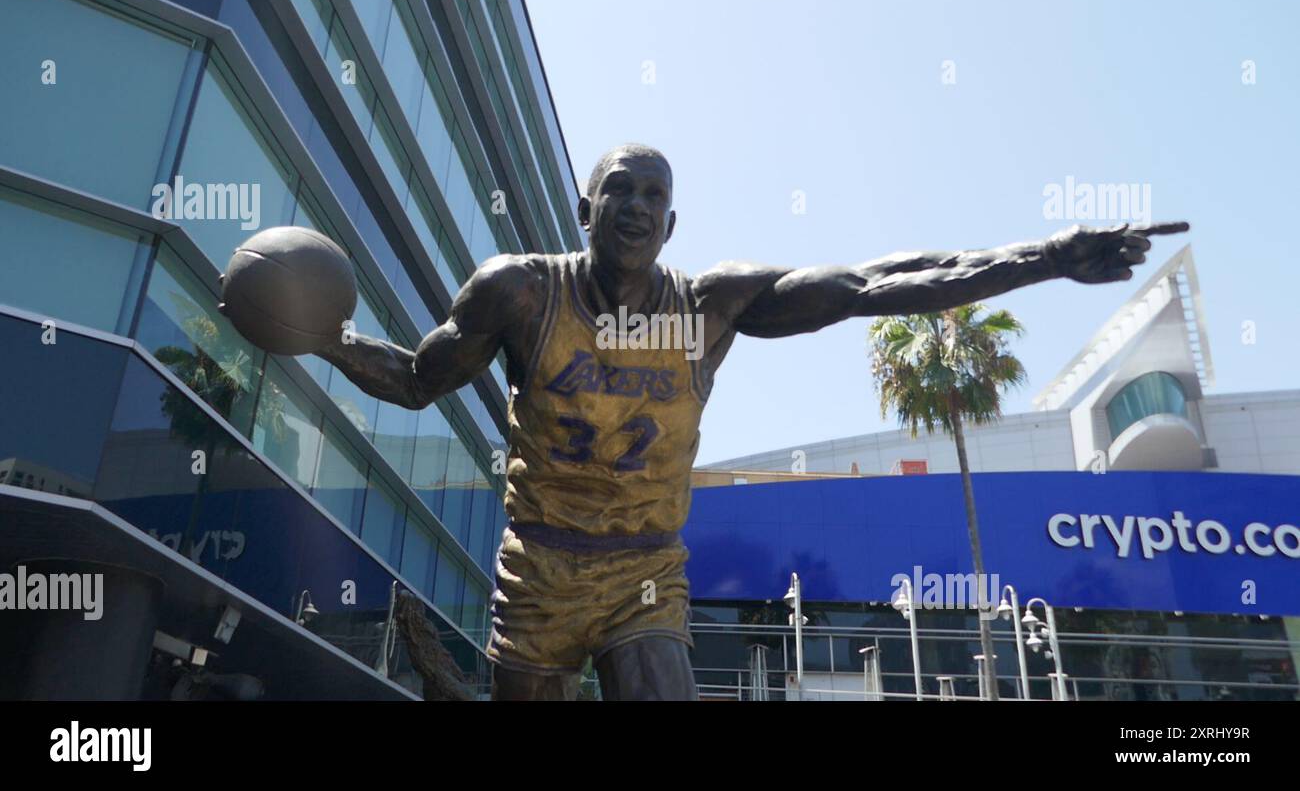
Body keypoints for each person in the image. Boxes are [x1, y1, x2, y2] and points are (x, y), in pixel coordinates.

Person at [315, 143, 1189, 700]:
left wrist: (1044, 258)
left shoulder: (710, 305)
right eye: (617, 189)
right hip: (541, 566)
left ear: (671, 222)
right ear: (586, 207)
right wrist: (326, 335)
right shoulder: (520, 290)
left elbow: (874, 282)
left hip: (641, 572)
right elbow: (417, 378)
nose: (635, 206)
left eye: (653, 195)